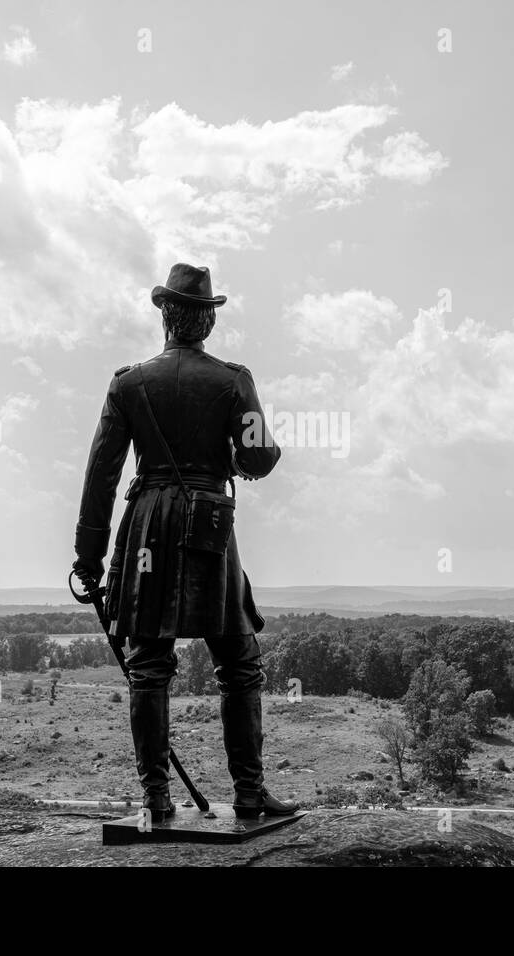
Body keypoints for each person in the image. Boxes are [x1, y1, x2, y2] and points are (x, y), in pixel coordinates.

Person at [72, 263, 299, 822]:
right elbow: (260, 460)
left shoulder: (129, 383)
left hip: (148, 520)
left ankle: (155, 799)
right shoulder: (232, 380)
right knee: (239, 662)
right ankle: (249, 794)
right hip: (208, 526)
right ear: (207, 321)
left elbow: (101, 474)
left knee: (149, 663)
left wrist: (88, 557)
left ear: (166, 317)